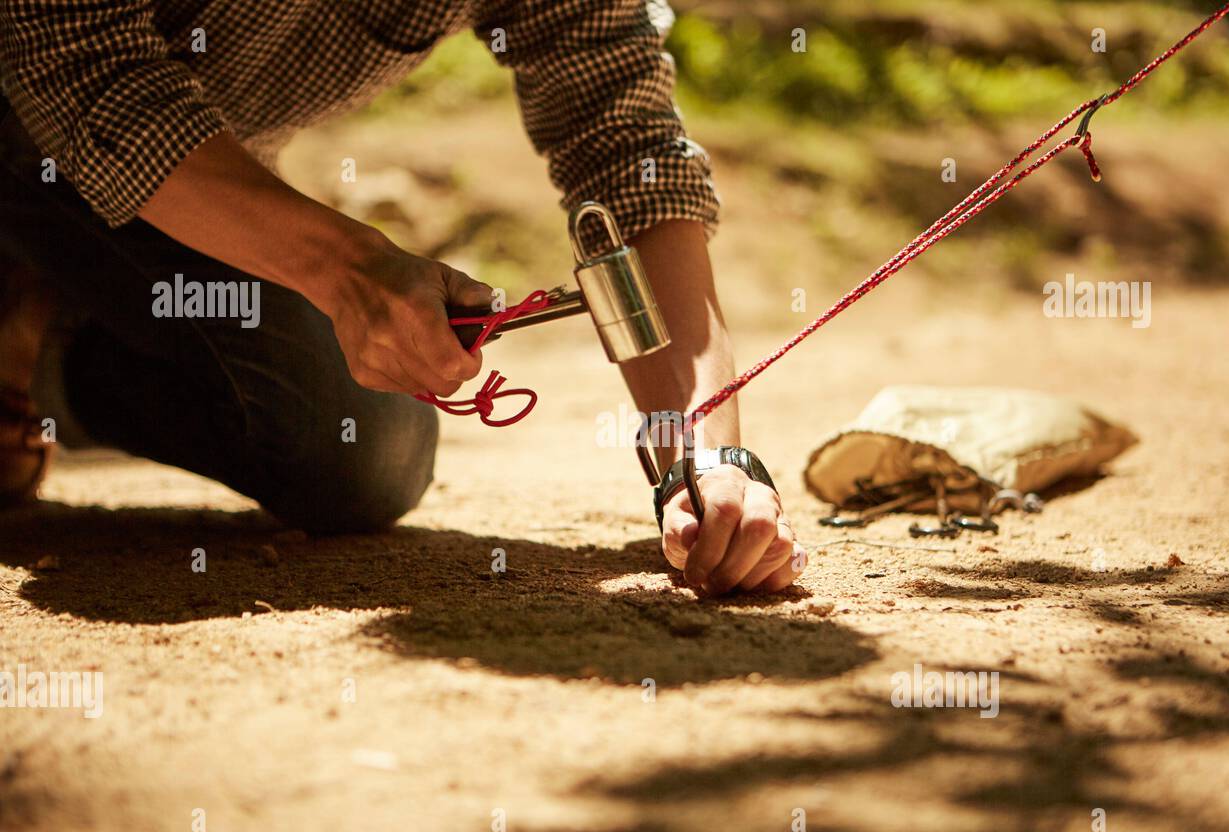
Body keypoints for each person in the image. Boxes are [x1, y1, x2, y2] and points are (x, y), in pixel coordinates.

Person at [0, 0, 806, 594]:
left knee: (360, 449)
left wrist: (704, 454)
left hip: (177, 190)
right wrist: (347, 271)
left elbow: (625, 144)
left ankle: (42, 353)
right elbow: (77, 58)